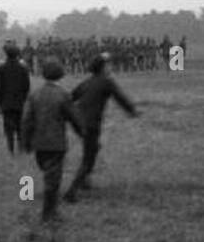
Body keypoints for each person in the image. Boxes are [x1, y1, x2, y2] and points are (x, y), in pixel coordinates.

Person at [64, 53, 139, 202]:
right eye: (108, 64)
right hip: (91, 124)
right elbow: (120, 98)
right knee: (89, 157)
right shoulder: (107, 82)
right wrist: (132, 111)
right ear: (103, 67)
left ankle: (85, 180)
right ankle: (71, 192)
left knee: (93, 148)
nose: (111, 67)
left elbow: (70, 97)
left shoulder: (86, 82)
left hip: (78, 122)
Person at [21, 58, 84, 225]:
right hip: (56, 143)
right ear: (60, 74)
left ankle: (49, 210)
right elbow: (74, 118)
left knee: (48, 173)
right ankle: (48, 215)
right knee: (53, 180)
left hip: (39, 143)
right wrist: (83, 133)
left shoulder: (35, 94)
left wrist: (26, 142)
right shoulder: (63, 95)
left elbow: (27, 120)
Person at [0, 43, 31, 155]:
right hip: (20, 102)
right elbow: (27, 86)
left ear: (6, 54)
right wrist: (24, 99)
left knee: (9, 129)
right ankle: (21, 148)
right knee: (20, 127)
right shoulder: (23, 68)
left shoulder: (2, 68)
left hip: (6, 103)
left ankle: (11, 150)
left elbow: (0, 87)